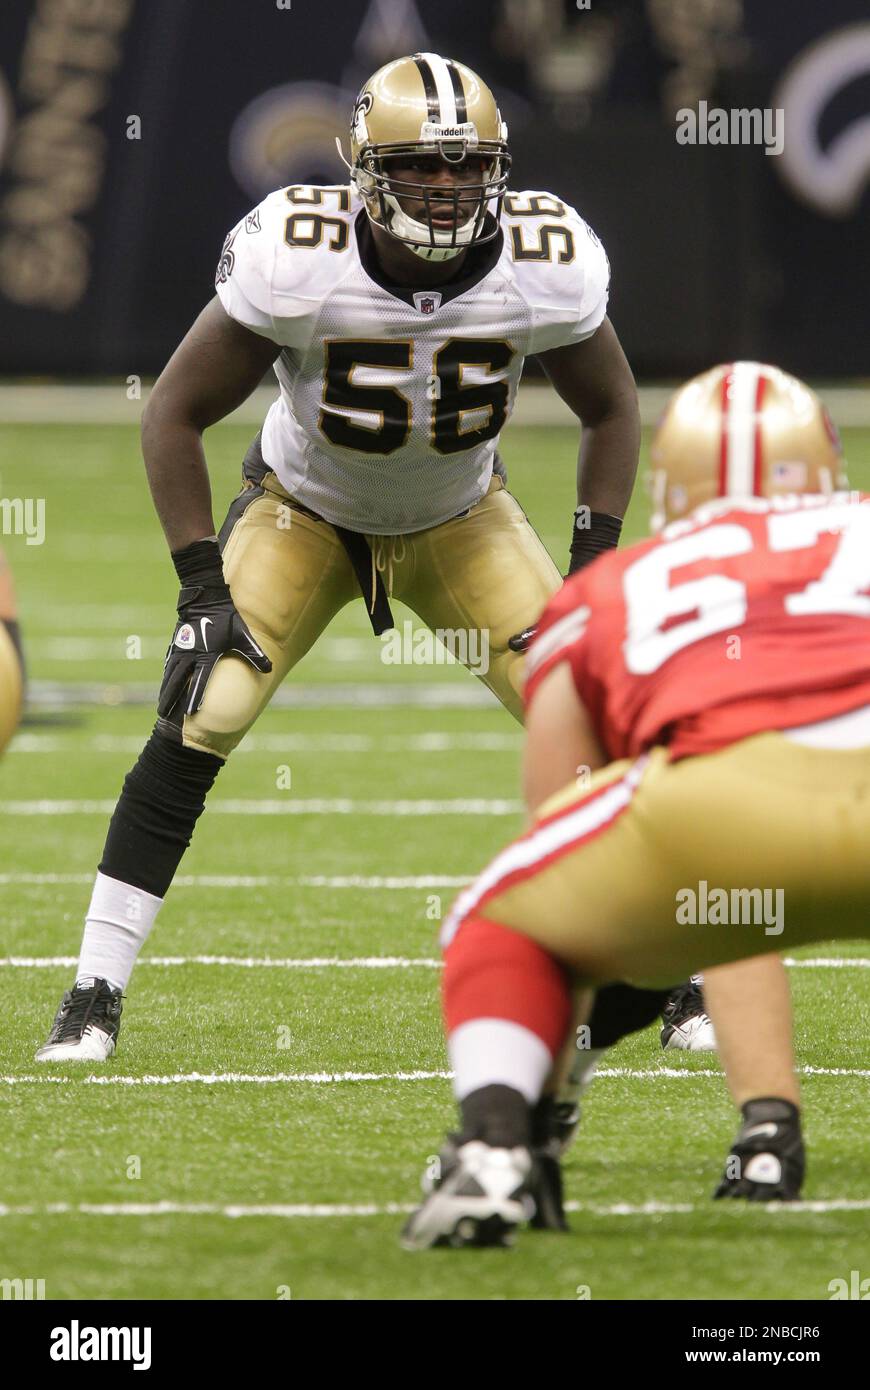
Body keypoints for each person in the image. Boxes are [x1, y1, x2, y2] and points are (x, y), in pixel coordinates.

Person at [35, 53, 640, 1061]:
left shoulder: (547, 256)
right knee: (206, 711)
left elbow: (613, 408)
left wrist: (593, 563)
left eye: (467, 166)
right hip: (302, 514)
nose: (447, 189)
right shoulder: (299, 255)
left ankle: (675, 976)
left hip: (462, 520)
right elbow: (174, 413)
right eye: (420, 168)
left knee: (589, 716)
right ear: (365, 170)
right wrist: (197, 581)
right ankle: (94, 990)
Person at [403, 373, 869, 1248]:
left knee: (503, 915)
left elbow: (558, 815)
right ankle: (764, 1132)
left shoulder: (618, 585)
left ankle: (496, 1146)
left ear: (669, 484)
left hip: (725, 810)